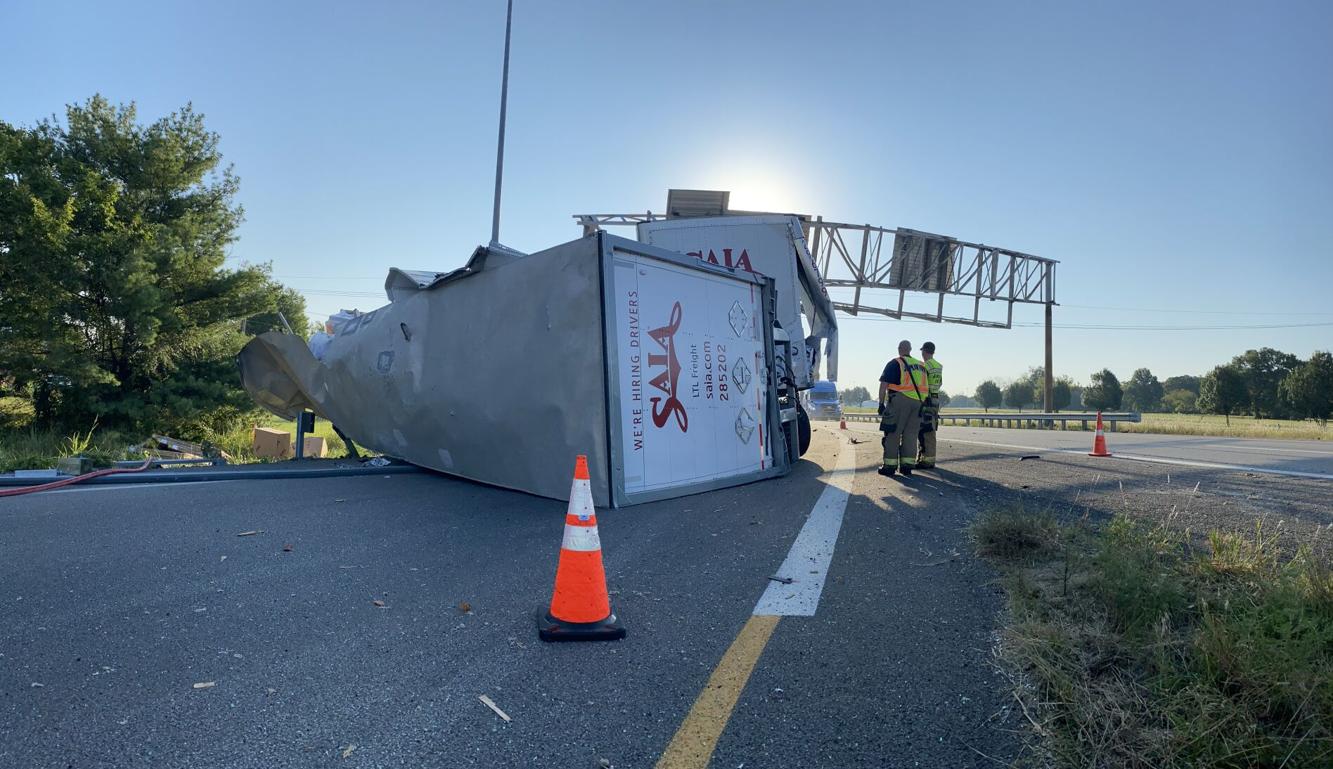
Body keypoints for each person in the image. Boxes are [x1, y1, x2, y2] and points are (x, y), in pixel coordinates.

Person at [878, 340, 929, 476]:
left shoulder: (895, 363)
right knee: (911, 435)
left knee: (893, 433)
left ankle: (889, 466)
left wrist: (881, 404)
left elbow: (884, 385)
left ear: (900, 349)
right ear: (910, 349)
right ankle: (907, 466)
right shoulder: (921, 366)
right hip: (918, 403)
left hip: (900, 401)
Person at [917, 342, 943, 469]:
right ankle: (928, 458)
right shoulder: (938, 366)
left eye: (922, 351)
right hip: (935, 399)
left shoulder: (925, 366)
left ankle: (926, 460)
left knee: (925, 430)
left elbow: (922, 383)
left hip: (926, 400)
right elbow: (940, 383)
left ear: (924, 351)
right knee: (931, 429)